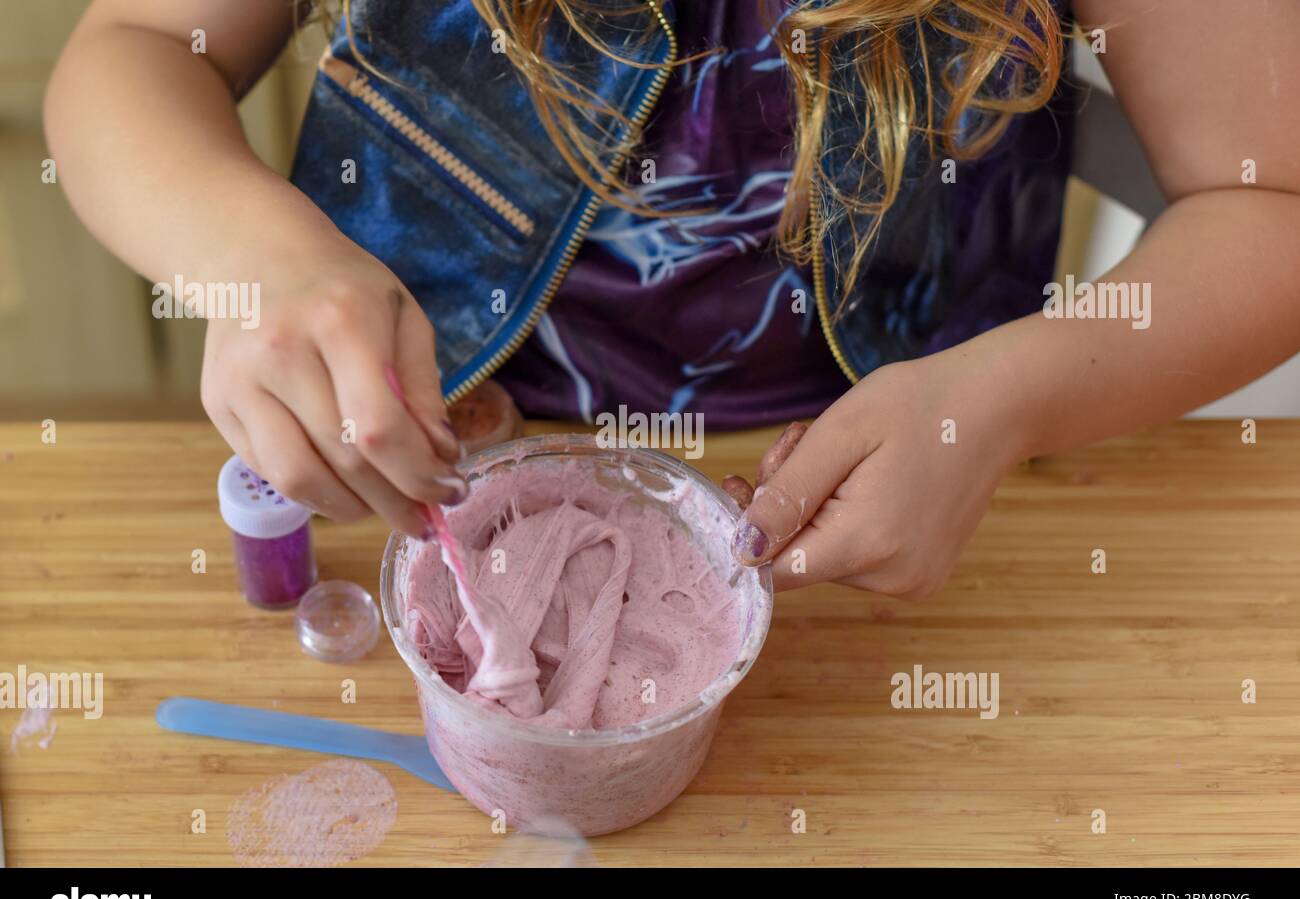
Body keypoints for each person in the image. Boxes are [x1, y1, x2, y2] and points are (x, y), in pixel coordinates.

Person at [45, 0, 1300, 595]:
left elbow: (1270, 205)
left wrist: (1007, 401)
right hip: (405, 478)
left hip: (899, 507)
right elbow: (137, 50)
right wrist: (249, 254)